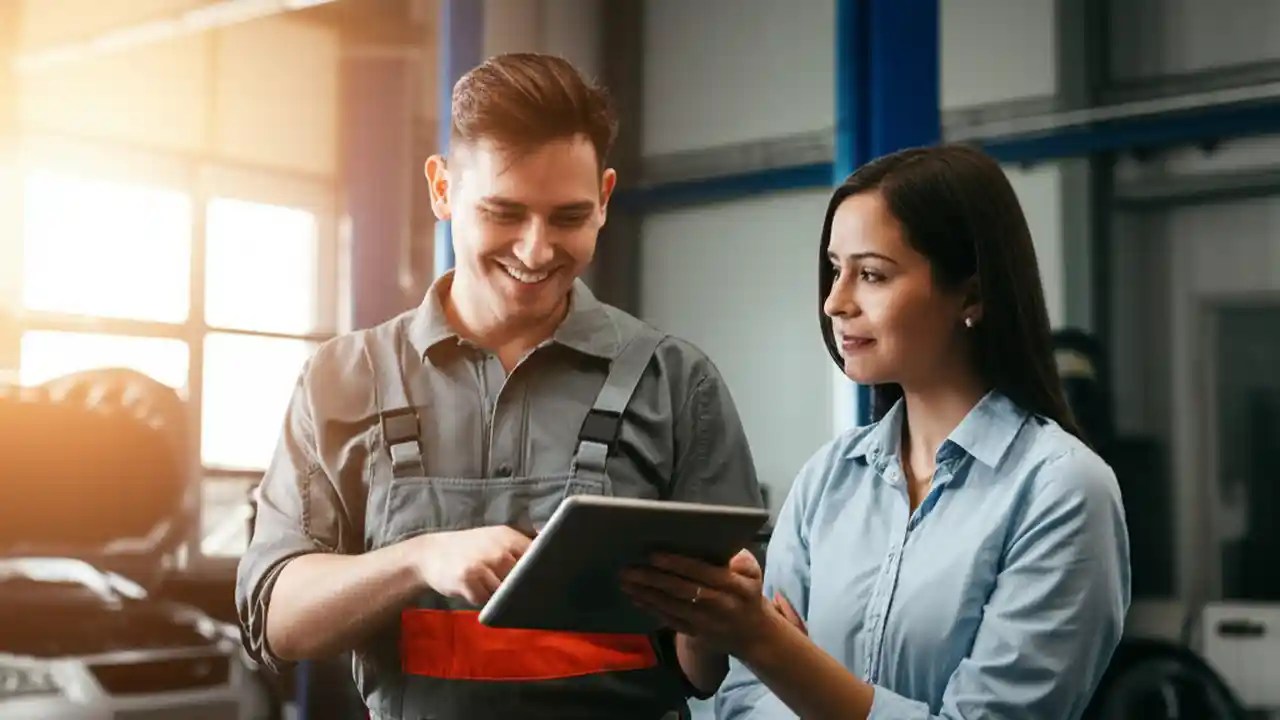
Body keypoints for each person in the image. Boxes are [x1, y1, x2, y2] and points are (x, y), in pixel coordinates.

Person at [235, 52, 764, 720]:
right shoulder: (343, 380)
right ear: (442, 189)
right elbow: (278, 622)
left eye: (568, 217)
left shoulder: (676, 383)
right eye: (503, 212)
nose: (537, 250)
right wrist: (419, 559)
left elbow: (707, 670)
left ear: (604, 198)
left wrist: (722, 617)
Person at [621, 145, 1132, 719]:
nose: (836, 302)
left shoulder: (1062, 492)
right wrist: (761, 650)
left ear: (971, 293)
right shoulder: (827, 481)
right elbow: (741, 702)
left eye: (872, 274)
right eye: (835, 270)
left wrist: (769, 644)